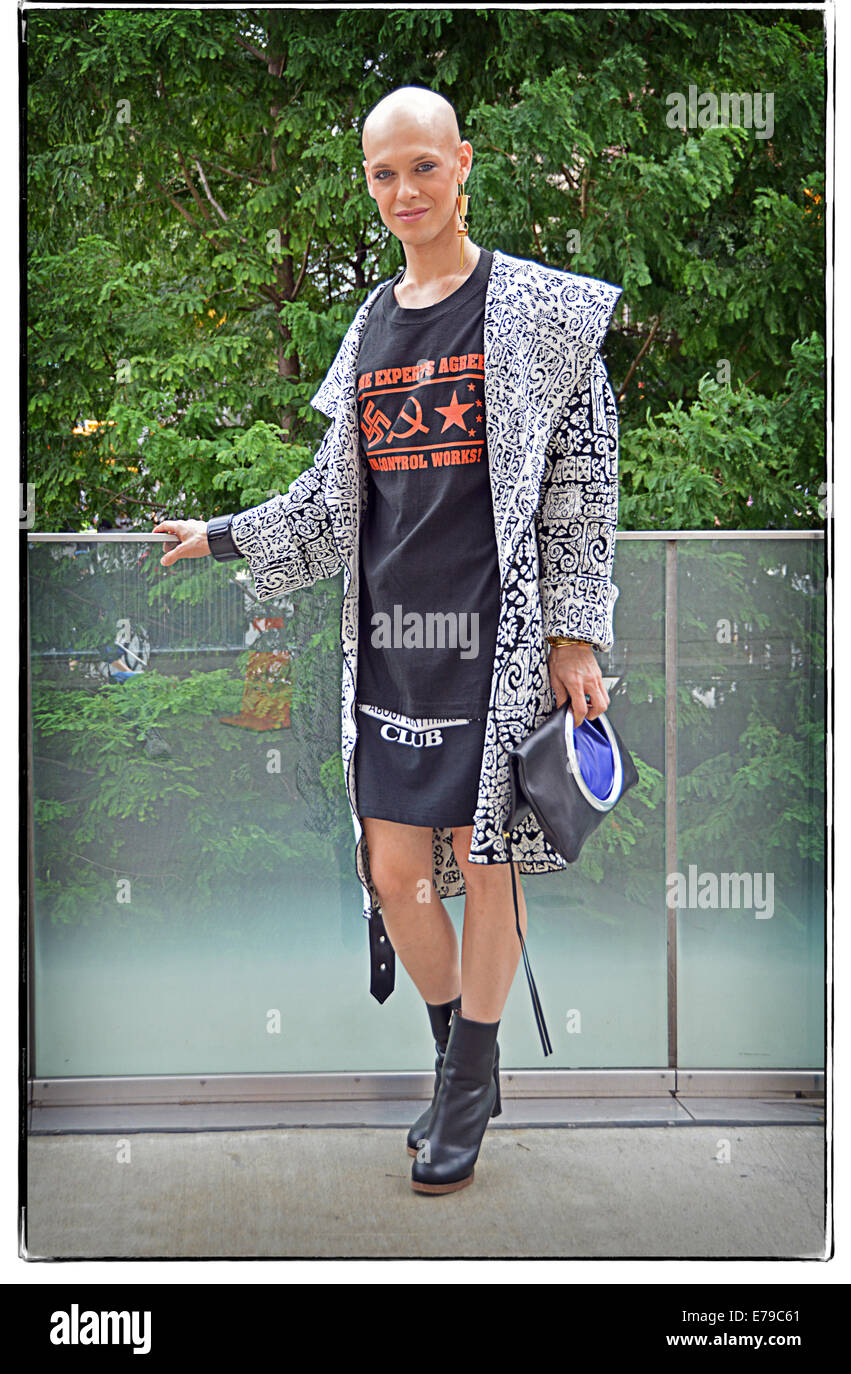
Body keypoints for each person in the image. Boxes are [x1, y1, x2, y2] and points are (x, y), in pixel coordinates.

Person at [154, 85, 622, 1196]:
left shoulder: (540, 315)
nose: (402, 191)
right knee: (395, 868)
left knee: (494, 858)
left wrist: (573, 637)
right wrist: (222, 535)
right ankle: (466, 1050)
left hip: (497, 642)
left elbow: (583, 488)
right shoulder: (368, 322)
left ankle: (462, 1085)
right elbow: (328, 503)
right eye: (381, 173)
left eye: (421, 165)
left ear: (462, 163)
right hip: (391, 642)